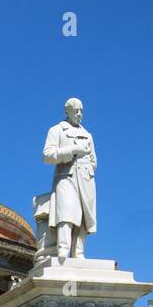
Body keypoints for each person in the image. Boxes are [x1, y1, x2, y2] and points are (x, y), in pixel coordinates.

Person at [42, 96, 97, 263]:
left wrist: (87, 167)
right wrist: (73, 150)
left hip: (85, 178)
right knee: (66, 212)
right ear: (67, 111)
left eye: (81, 111)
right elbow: (48, 155)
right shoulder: (57, 130)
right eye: (75, 111)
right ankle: (63, 248)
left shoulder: (88, 135)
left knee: (83, 216)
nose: (79, 114)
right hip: (66, 176)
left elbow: (94, 160)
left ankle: (79, 251)